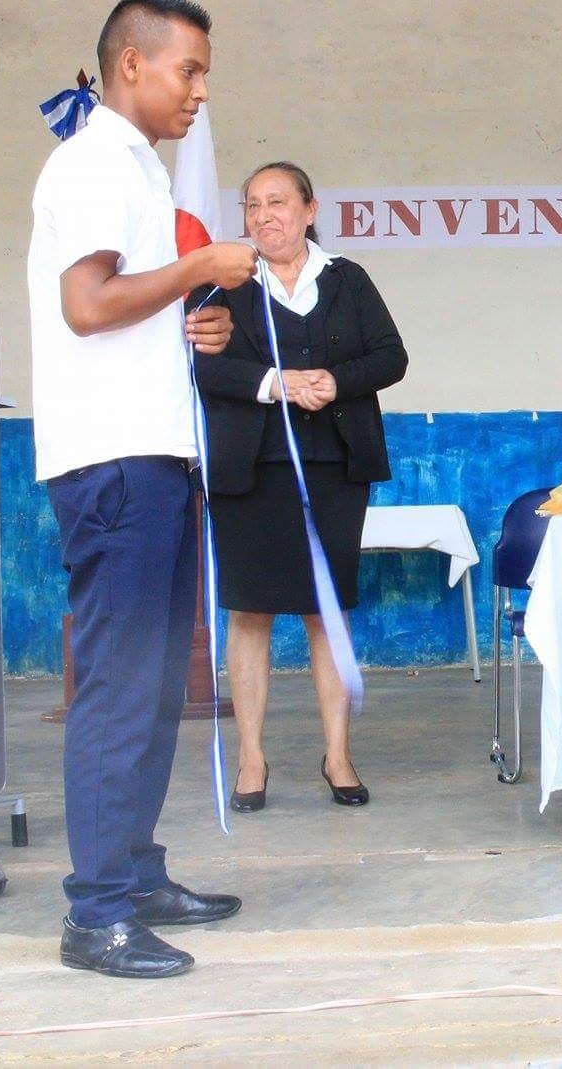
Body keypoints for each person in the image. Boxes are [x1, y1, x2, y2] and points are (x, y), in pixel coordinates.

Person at [28, 0, 257, 978]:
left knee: (157, 684)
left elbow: (125, 303)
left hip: (150, 451)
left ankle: (136, 870)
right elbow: (85, 305)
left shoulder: (135, 167)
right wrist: (201, 262)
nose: (199, 89)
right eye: (187, 69)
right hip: (113, 461)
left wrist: (188, 315)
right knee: (121, 691)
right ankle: (99, 914)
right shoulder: (88, 163)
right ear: (131, 64)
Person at [194, 161, 407, 813]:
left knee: (327, 611)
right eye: (253, 204)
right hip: (249, 471)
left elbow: (390, 355)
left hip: (334, 465)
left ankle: (338, 752)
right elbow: (206, 369)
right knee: (251, 611)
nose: (264, 215)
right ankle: (252, 757)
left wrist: (332, 382)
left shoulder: (347, 279)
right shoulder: (224, 285)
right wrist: (276, 384)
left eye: (278, 202)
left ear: (310, 209)